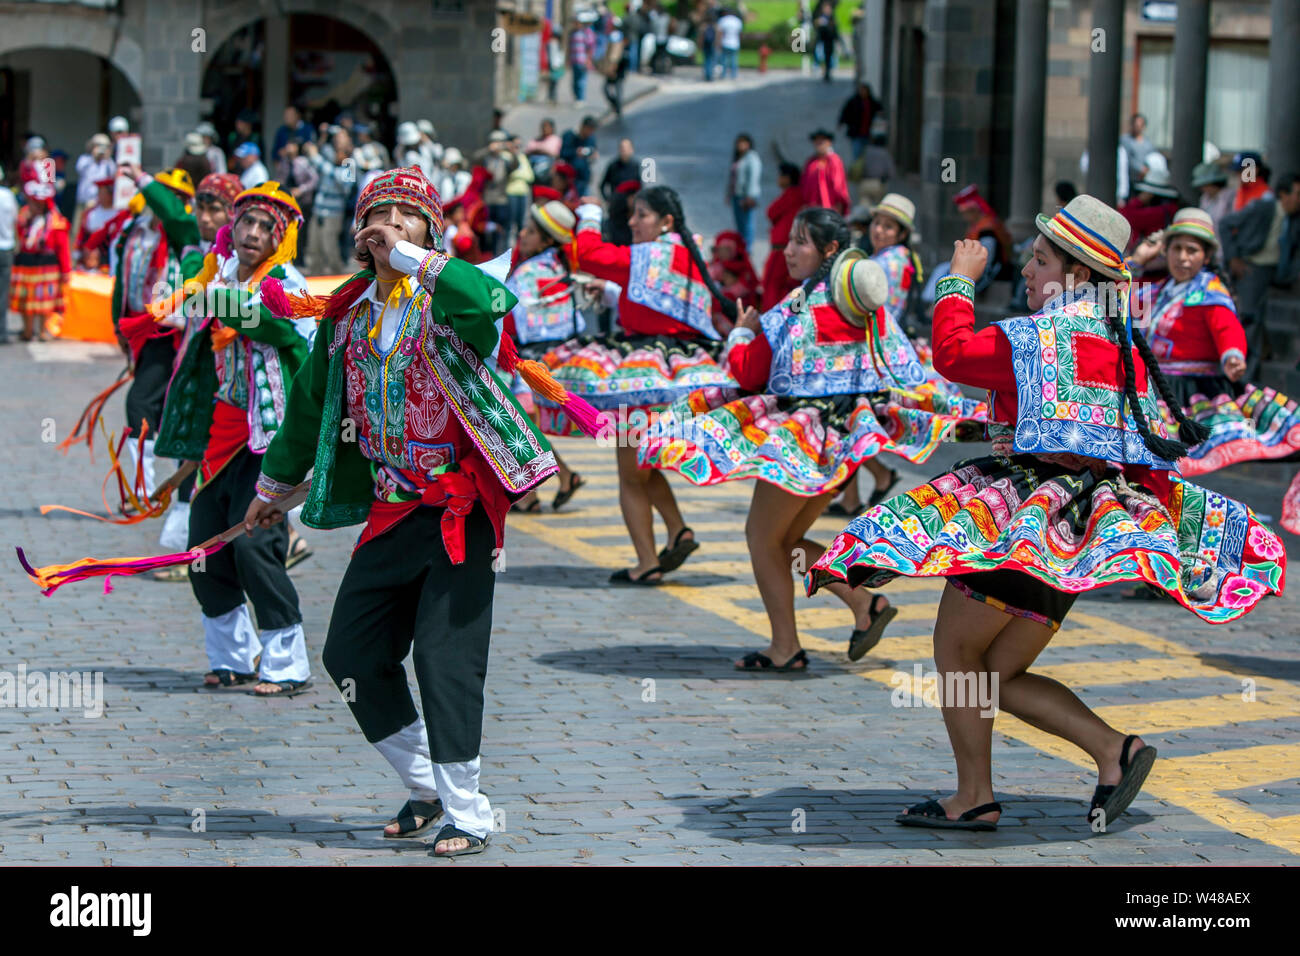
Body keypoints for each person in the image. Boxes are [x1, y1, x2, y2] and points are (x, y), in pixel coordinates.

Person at [807, 195, 1285, 831]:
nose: (1027, 271)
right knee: (998, 675)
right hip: (1079, 537)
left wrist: (958, 280)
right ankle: (1116, 751)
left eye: (1038, 260)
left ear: (1080, 276)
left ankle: (973, 796)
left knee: (955, 651)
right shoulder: (1124, 346)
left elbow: (952, 354)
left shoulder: (1041, 336)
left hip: (1025, 522)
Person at [243, 166, 597, 857]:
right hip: (391, 510)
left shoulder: (448, 303)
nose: (393, 224)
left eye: (409, 216)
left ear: (429, 232)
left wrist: (420, 262)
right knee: (350, 653)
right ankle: (426, 783)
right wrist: (271, 490)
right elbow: (311, 407)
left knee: (444, 658)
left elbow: (491, 301)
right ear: (359, 234)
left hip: (459, 511)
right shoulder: (347, 319)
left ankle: (470, 811)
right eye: (382, 215)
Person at [150, 181, 312, 695]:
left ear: (280, 239)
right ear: (232, 226)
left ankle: (288, 664)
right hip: (221, 432)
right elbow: (177, 324)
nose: (254, 232)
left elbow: (285, 334)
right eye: (247, 221)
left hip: (271, 439)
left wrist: (228, 304)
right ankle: (234, 656)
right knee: (202, 549)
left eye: (268, 227)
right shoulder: (212, 273)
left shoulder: (286, 282)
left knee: (256, 545)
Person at [542, 185, 740, 584]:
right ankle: (677, 529)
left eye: (642, 215)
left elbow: (591, 255)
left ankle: (646, 562)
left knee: (630, 472)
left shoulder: (652, 253)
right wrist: (616, 295)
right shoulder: (686, 252)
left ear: (666, 221)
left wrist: (591, 217)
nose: (632, 222)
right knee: (643, 466)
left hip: (642, 376)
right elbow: (662, 311)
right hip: (678, 371)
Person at [1128, 207, 1300, 478]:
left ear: (1206, 256)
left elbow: (1226, 327)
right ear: (1165, 251)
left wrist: (1232, 355)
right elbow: (1111, 299)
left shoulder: (1210, 292)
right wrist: (1136, 262)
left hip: (1193, 390)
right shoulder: (1157, 291)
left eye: (1192, 251)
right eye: (1177, 249)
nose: (1183, 258)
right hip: (1155, 386)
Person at [502, 199, 591, 513]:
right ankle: (548, 485)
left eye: (529, 231)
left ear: (545, 239)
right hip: (559, 357)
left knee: (516, 422)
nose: (522, 235)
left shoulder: (529, 272)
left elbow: (508, 317)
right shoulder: (559, 267)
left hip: (534, 364)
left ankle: (537, 488)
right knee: (522, 424)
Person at [9, 180, 71, 342]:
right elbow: (17, 237)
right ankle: (28, 330)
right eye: (33, 202)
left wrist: (66, 270)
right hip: (26, 263)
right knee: (25, 300)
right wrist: (23, 223)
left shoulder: (55, 220)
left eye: (39, 203)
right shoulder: (23, 216)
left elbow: (62, 247)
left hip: (47, 263)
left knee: (45, 301)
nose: (35, 206)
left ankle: (42, 330)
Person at [302, 131, 355, 276]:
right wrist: (322, 137)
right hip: (318, 212)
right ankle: (313, 281)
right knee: (313, 249)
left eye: (341, 138)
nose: (337, 141)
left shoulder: (350, 163)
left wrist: (319, 161)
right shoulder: (329, 158)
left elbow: (345, 184)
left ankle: (337, 280)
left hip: (333, 215)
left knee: (330, 250)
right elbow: (316, 160)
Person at [762, 161, 803, 310]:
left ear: (788, 178)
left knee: (772, 284)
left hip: (781, 248)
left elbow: (771, 212)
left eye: (781, 176)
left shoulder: (791, 194)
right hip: (791, 247)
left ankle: (769, 316)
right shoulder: (799, 195)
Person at [707, 230, 760, 320]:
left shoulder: (743, 267)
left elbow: (747, 287)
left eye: (725, 249)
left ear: (733, 250)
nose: (720, 252)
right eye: (717, 249)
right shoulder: (717, 266)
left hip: (739, 310)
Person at [726, 133, 762, 250]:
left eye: (743, 143)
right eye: (739, 143)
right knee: (740, 224)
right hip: (737, 195)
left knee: (747, 224)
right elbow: (732, 178)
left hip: (746, 196)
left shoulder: (752, 158)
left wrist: (749, 197)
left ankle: (747, 249)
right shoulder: (739, 158)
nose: (740, 145)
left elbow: (753, 178)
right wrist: (729, 194)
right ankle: (742, 247)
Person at [802, 129, 850, 216]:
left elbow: (838, 186)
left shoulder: (835, 161)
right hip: (813, 208)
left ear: (829, 143)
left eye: (822, 142)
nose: (819, 145)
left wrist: (840, 206)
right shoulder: (810, 162)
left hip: (831, 208)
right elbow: (805, 185)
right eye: (817, 142)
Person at [504, 134, 536, 248]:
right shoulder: (506, 156)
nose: (517, 147)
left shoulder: (522, 157)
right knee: (510, 225)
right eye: (515, 144)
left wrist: (518, 176)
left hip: (523, 193)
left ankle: (519, 249)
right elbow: (509, 173)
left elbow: (530, 176)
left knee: (521, 224)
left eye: (519, 145)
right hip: (510, 193)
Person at [839, 83, 883, 163]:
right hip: (856, 133)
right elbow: (845, 113)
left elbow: (880, 111)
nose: (863, 92)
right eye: (861, 90)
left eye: (864, 90)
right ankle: (857, 171)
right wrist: (841, 122)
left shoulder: (872, 102)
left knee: (867, 155)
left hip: (868, 133)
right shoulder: (853, 101)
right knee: (856, 153)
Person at [1192, 161, 1234, 241]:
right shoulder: (1205, 198)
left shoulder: (1230, 196)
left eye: (1205, 184)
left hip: (1226, 243)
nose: (1202, 188)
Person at [561, 117, 600, 197]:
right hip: (569, 179)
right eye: (589, 129)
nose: (590, 132)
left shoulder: (591, 138)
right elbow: (563, 153)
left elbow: (593, 151)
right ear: (583, 126)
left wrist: (593, 155)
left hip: (584, 178)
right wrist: (575, 152)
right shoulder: (569, 135)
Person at [0, 170, 16, 343]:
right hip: (5, 247)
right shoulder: (8, 196)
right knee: (3, 293)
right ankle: (1, 332)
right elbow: (14, 219)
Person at [1119, 113, 1156, 183]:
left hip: (1146, 178)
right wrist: (1140, 169)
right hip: (1130, 178)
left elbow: (1153, 156)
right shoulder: (1125, 140)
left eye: (1140, 126)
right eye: (1136, 125)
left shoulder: (1148, 142)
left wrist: (1148, 169)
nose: (1138, 128)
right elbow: (1126, 158)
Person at [569, 18, 598, 103]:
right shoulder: (573, 33)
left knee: (581, 81)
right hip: (574, 59)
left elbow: (590, 47)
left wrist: (588, 60)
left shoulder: (586, 33)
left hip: (583, 60)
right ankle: (576, 97)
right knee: (574, 81)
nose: (576, 25)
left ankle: (580, 99)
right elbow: (570, 47)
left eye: (577, 23)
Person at [813, 2, 839, 83]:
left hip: (829, 41)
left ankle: (827, 73)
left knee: (828, 57)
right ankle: (823, 71)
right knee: (820, 56)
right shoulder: (820, 18)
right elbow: (816, 27)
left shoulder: (832, 18)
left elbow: (835, 29)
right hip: (822, 40)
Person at [716, 8, 742, 80]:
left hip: (725, 42)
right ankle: (733, 74)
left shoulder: (723, 20)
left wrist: (718, 42)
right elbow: (739, 33)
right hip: (735, 42)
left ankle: (723, 74)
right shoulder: (737, 21)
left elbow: (720, 33)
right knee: (734, 59)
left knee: (724, 59)